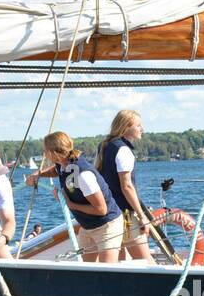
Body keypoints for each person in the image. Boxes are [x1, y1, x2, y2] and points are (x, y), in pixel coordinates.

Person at [29, 130, 122, 262]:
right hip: (88, 226)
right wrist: (38, 174)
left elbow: (102, 210)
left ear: (53, 153)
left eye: (45, 151)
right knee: (88, 271)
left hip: (107, 225)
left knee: (107, 271)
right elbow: (56, 170)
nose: (44, 154)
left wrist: (70, 204)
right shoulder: (64, 164)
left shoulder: (83, 175)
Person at [97, 109, 153, 261]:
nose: (143, 129)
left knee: (121, 259)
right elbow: (126, 186)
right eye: (139, 125)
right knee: (146, 262)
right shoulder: (123, 150)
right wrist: (142, 216)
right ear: (126, 127)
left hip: (110, 213)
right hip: (124, 214)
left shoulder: (105, 146)